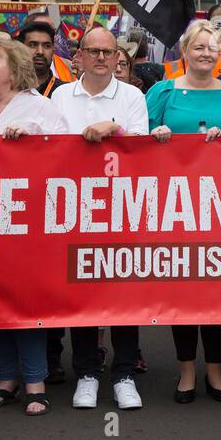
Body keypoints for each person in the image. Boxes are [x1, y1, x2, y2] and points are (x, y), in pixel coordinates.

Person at [0, 39, 68, 415]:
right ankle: (6, 378)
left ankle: (35, 381)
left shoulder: (41, 107)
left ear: (14, 68)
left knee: (26, 302)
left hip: (29, 224)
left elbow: (65, 155)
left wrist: (32, 138)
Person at [147, 19, 221, 403]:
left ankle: (215, 372)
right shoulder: (162, 93)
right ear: (184, 52)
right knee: (184, 290)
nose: (206, 53)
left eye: (212, 48)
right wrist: (155, 138)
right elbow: (140, 143)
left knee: (217, 289)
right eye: (199, 47)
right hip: (175, 205)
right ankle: (186, 371)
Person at [50, 27, 149, 411]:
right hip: (76, 208)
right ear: (79, 56)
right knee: (83, 293)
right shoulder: (60, 95)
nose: (102, 58)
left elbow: (143, 150)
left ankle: (124, 373)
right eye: (93, 51)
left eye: (108, 52)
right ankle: (87, 373)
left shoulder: (133, 96)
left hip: (122, 207)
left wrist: (115, 128)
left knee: (122, 293)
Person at [18, 18, 72, 94]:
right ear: (20, 47)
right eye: (33, 45)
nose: (40, 52)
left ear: (53, 49)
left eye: (46, 46)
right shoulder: (8, 88)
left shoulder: (65, 92)